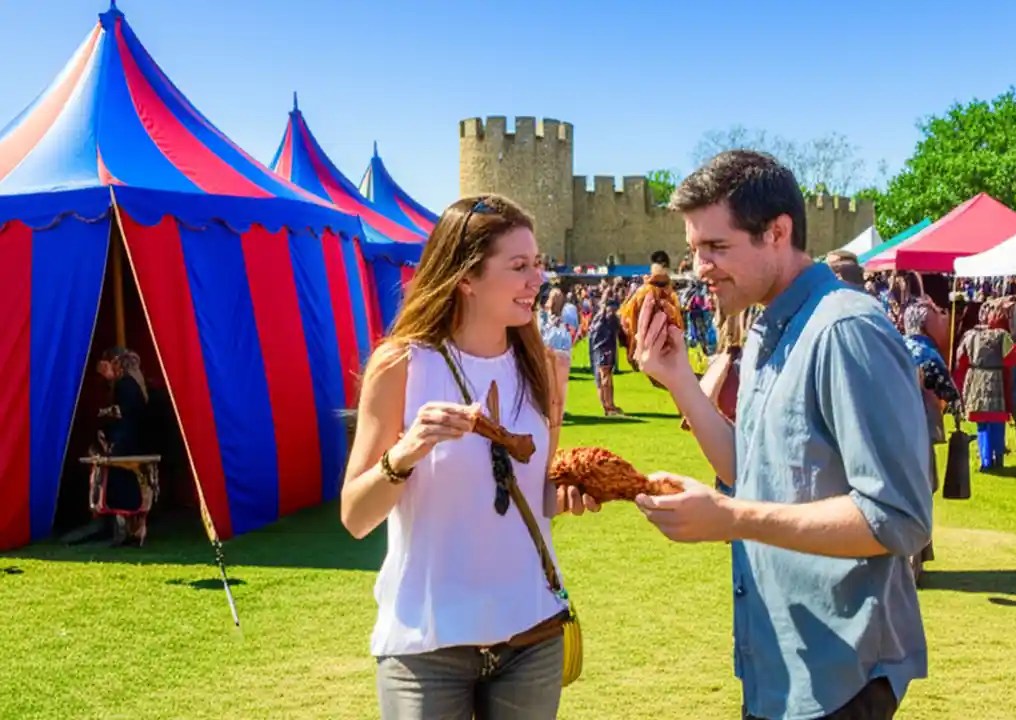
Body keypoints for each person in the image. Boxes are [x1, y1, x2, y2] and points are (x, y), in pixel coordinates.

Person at [631, 150, 933, 720]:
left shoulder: (845, 328)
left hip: (842, 674)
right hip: (783, 664)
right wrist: (678, 381)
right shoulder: (769, 322)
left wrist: (731, 518)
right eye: (695, 249)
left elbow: (899, 518)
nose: (699, 267)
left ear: (777, 232)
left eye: (717, 248)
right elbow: (754, 471)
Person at [340, 194, 600, 720]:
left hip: (533, 631)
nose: (538, 281)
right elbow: (355, 516)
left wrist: (571, 493)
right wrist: (408, 450)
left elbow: (533, 497)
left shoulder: (546, 368)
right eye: (519, 266)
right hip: (426, 643)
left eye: (538, 264)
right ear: (466, 277)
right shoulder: (401, 365)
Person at [899, 302, 962, 584]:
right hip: (919, 429)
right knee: (922, 489)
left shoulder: (894, 345)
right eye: (938, 316)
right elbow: (950, 392)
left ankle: (909, 555)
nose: (944, 320)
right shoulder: (927, 353)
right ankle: (913, 560)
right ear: (925, 324)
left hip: (893, 428)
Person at [91, 346, 155, 547]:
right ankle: (130, 529)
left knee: (121, 484)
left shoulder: (125, 385)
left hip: (125, 442)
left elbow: (124, 412)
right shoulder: (134, 383)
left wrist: (104, 413)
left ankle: (124, 530)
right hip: (133, 440)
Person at [954, 300, 1016, 471]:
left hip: (976, 377)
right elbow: (1012, 358)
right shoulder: (1002, 336)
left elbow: (960, 359)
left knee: (982, 423)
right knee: (997, 422)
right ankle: (997, 458)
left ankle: (986, 460)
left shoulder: (970, 335)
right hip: (996, 378)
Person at [589, 299, 624, 416]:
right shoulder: (610, 318)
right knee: (605, 379)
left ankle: (609, 405)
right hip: (606, 348)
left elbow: (592, 334)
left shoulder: (598, 317)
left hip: (598, 349)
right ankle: (608, 407)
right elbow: (619, 332)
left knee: (603, 378)